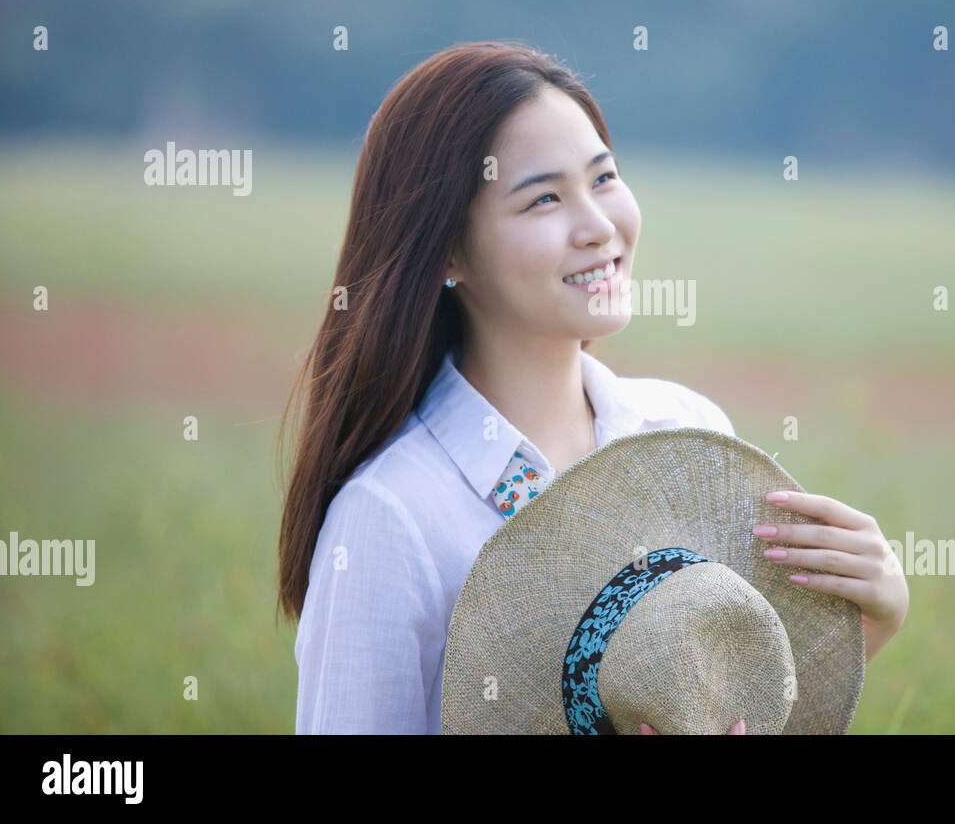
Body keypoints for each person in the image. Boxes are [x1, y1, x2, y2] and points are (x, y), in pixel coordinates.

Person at [277, 41, 907, 734]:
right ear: (450, 252)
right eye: (544, 198)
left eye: (604, 179)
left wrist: (870, 621)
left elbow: (738, 706)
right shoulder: (392, 518)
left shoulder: (685, 437)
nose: (600, 226)